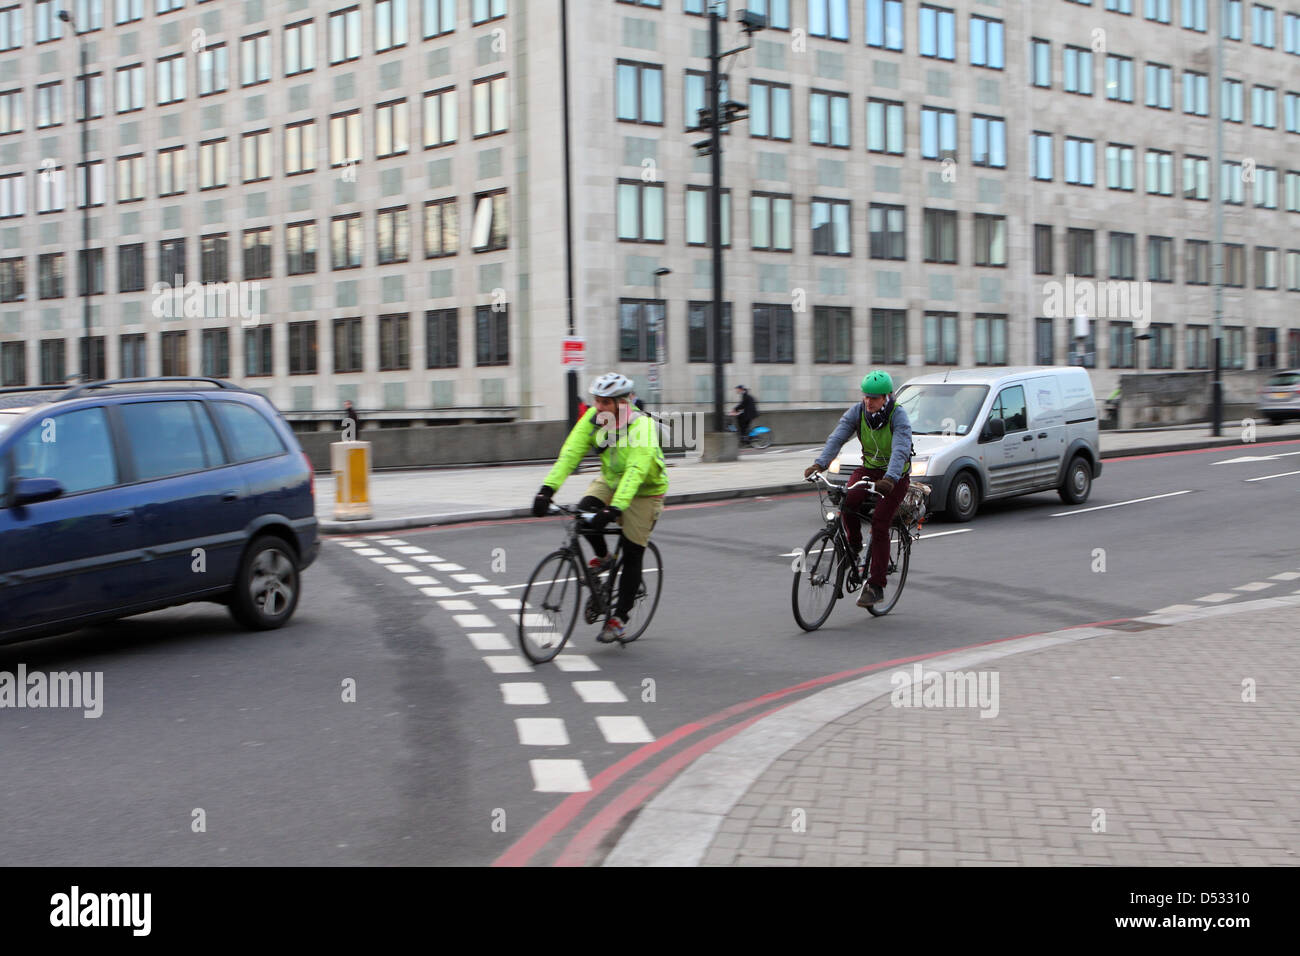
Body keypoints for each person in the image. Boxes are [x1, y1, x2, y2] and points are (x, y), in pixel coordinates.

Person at [531, 372, 669, 643]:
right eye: (597, 401)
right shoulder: (593, 419)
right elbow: (571, 453)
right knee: (584, 515)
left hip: (645, 491)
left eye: (606, 402)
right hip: (611, 479)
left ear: (623, 402)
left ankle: (619, 618)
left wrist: (615, 508)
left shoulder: (641, 426)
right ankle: (604, 558)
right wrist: (547, 490)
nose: (599, 407)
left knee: (632, 552)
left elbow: (637, 469)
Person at [803, 370, 913, 609]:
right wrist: (820, 463)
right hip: (869, 469)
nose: (868, 401)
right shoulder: (858, 412)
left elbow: (901, 449)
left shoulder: (899, 416)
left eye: (874, 398)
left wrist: (891, 478)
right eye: (866, 396)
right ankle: (854, 544)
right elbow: (837, 437)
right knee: (849, 500)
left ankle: (876, 586)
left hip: (895, 477)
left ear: (887, 397)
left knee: (881, 522)